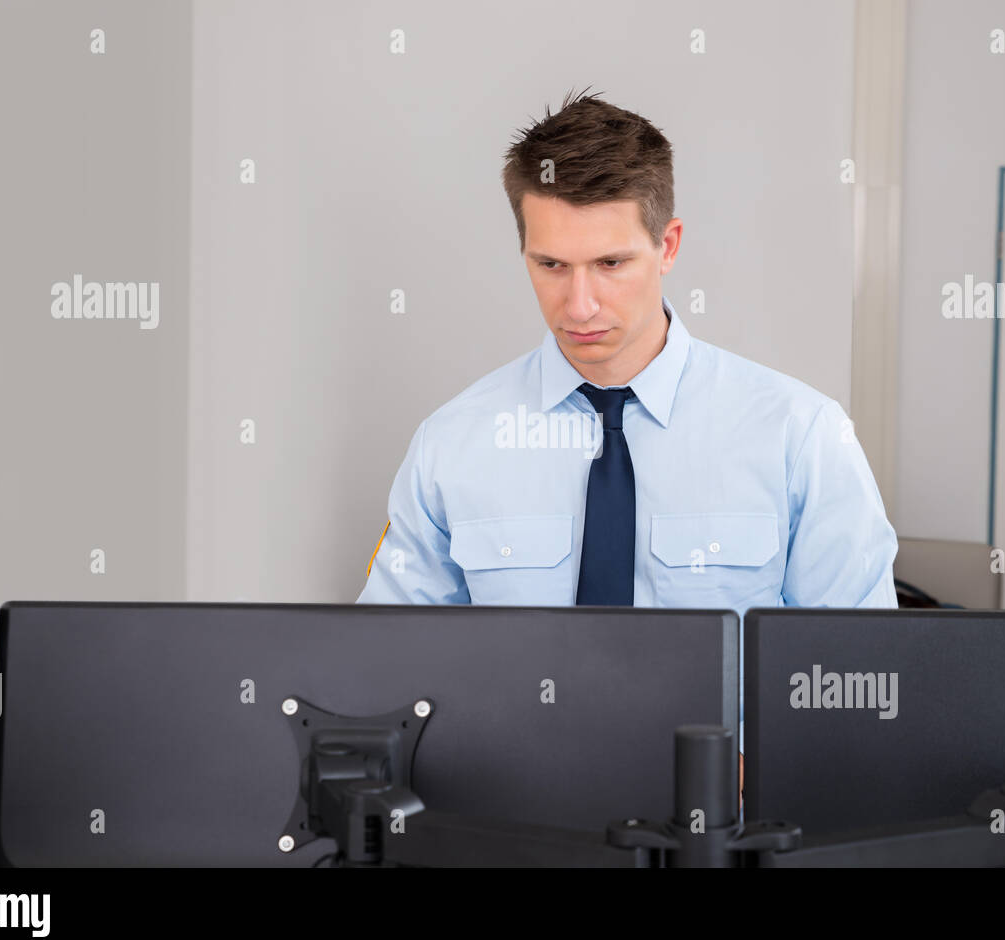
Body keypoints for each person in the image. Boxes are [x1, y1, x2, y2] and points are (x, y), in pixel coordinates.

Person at [356, 89, 899, 802]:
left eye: (611, 264)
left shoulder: (800, 436)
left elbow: (865, 681)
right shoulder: (452, 445)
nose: (579, 305)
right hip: (511, 828)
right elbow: (379, 668)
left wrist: (760, 770)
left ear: (668, 245)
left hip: (723, 833)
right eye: (551, 266)